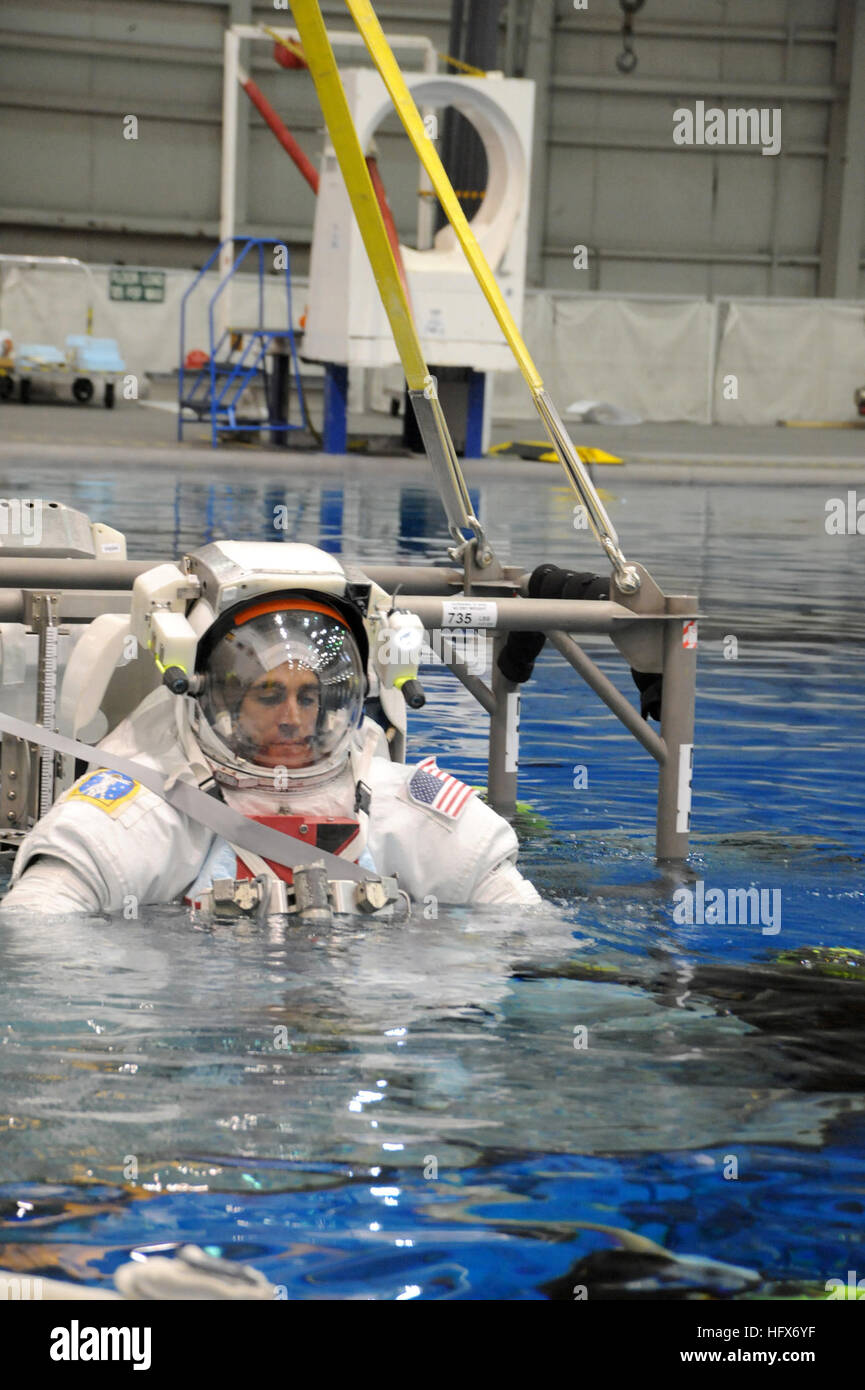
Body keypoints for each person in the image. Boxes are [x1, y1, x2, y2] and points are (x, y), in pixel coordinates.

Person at [1, 543, 541, 916]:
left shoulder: (402, 807)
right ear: (216, 697)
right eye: (268, 694)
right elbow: (36, 929)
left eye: (307, 697)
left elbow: (525, 934)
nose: (292, 718)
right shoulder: (150, 807)